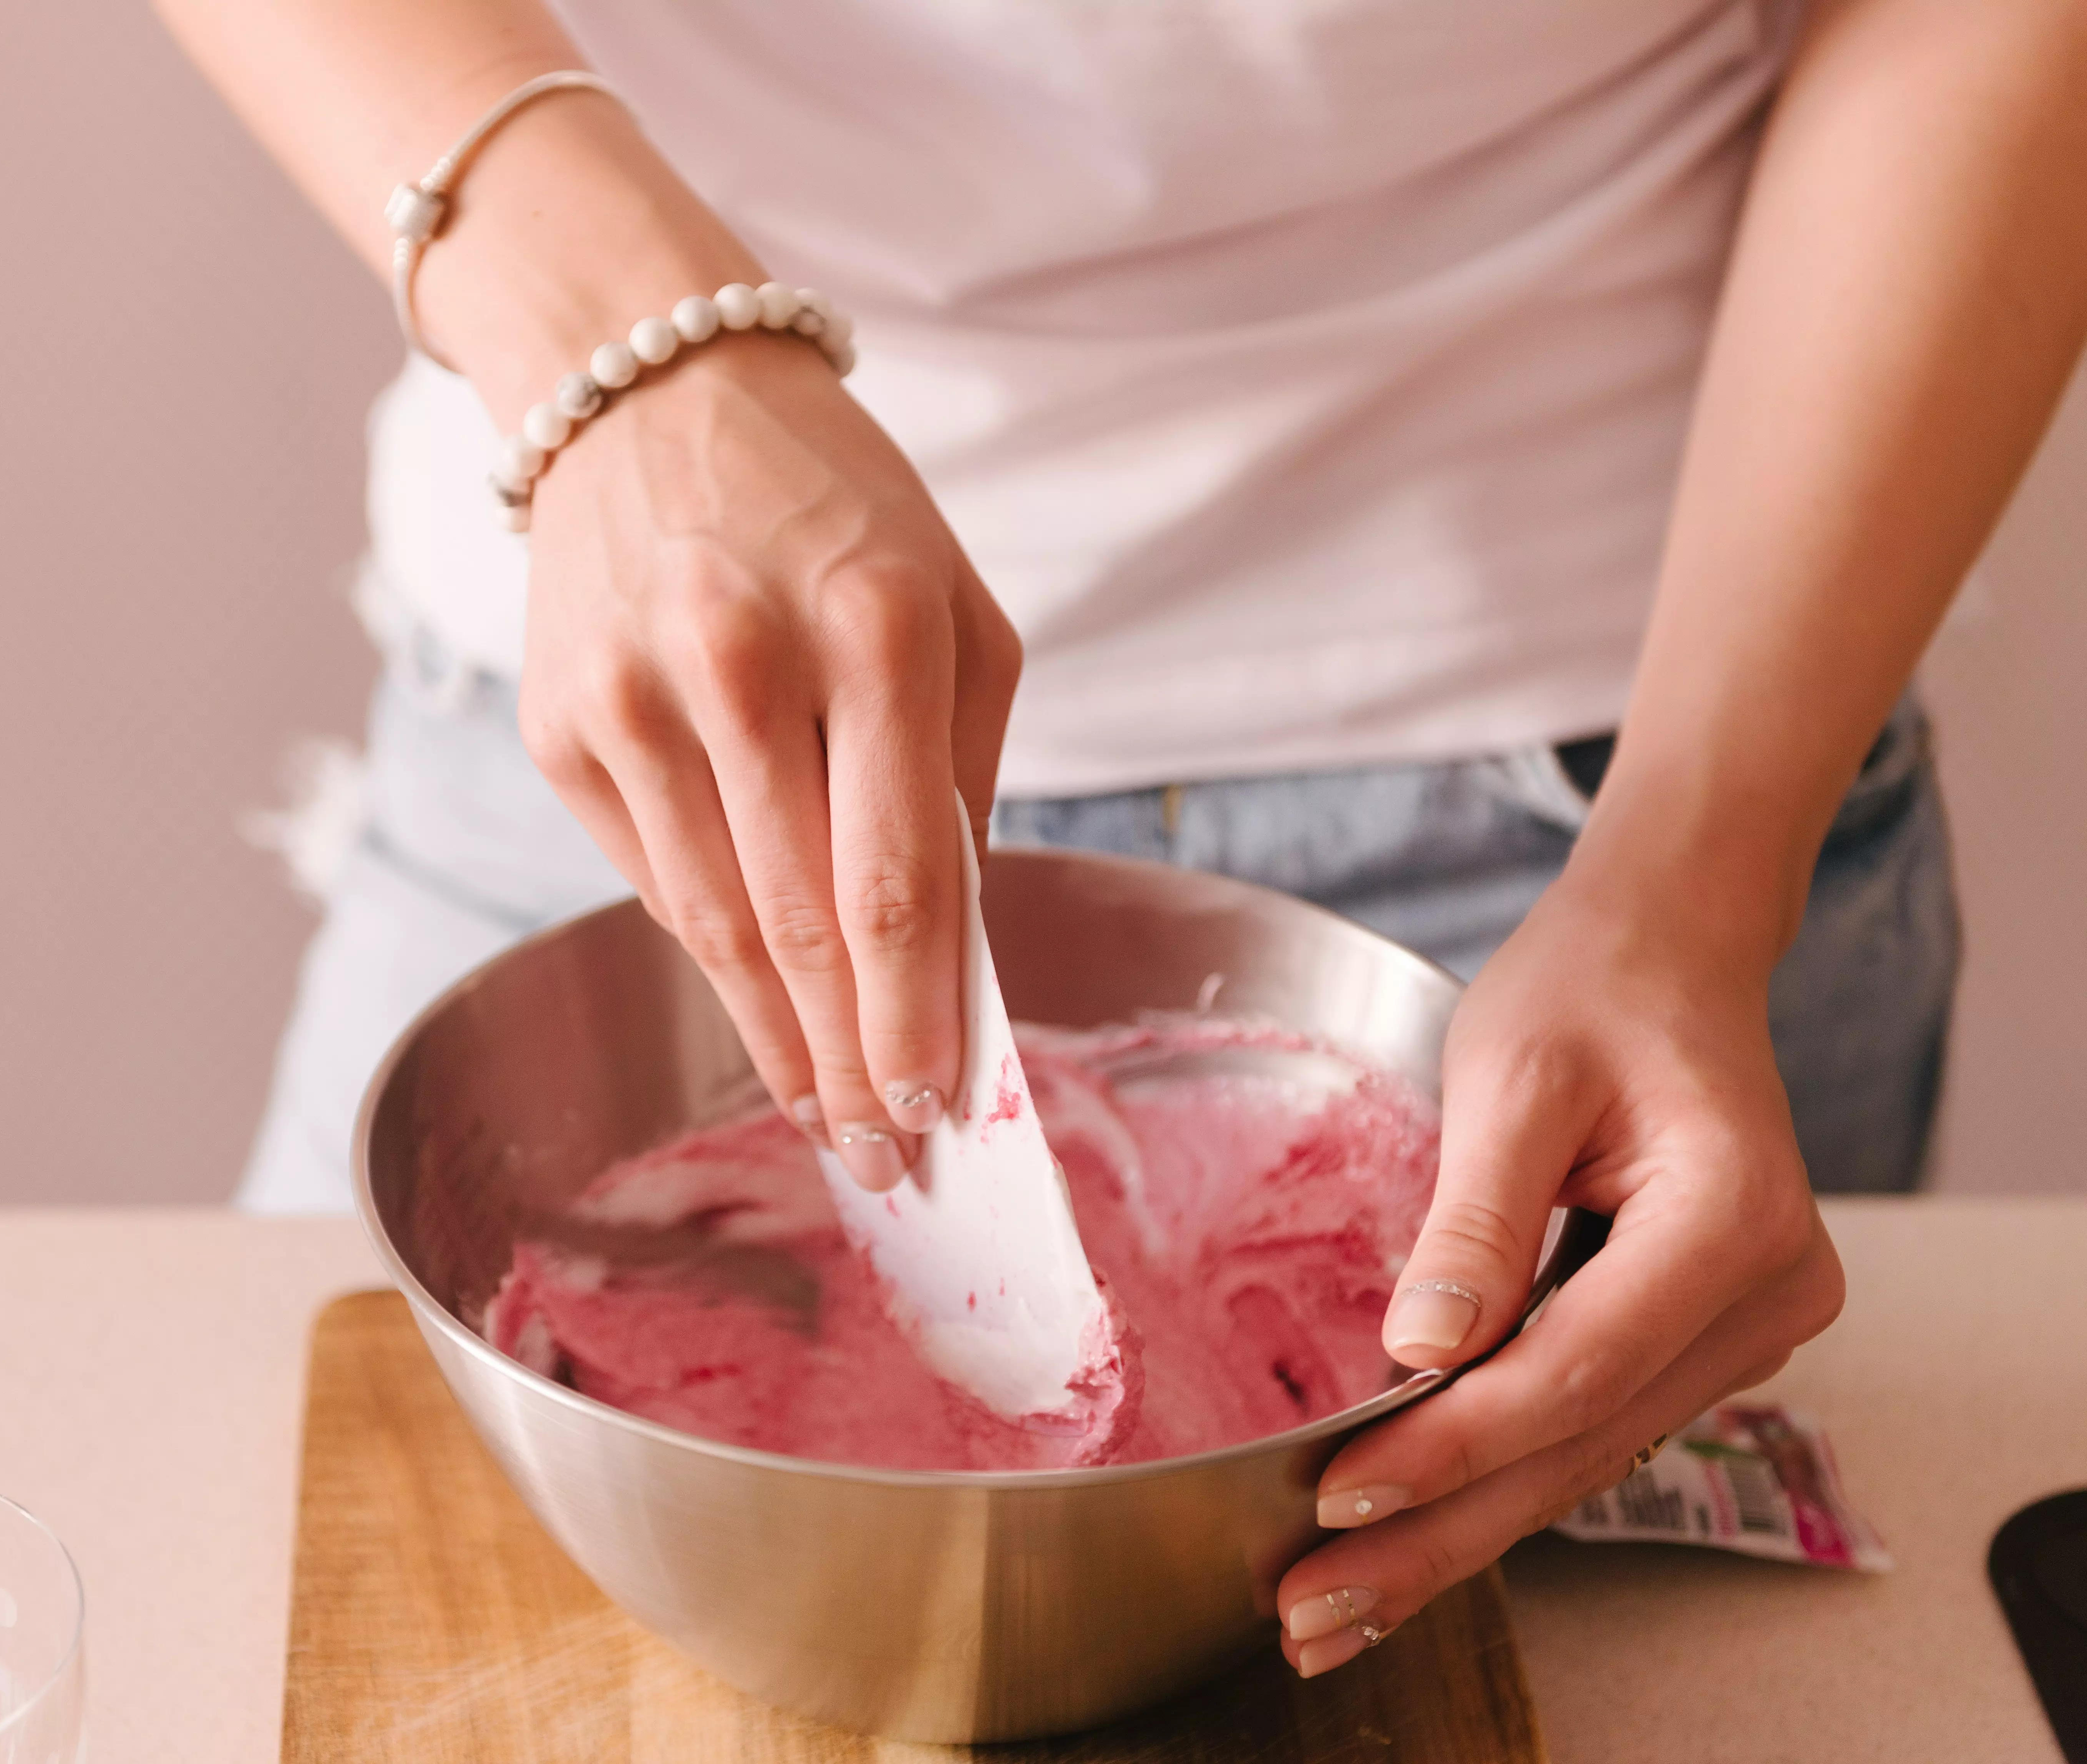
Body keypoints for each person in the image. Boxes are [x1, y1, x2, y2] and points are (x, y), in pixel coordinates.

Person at [156, 0, 2087, 1678]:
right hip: (653, 722)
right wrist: (625, 352)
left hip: (1642, 782)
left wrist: (1697, 873)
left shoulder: (1677, 855)